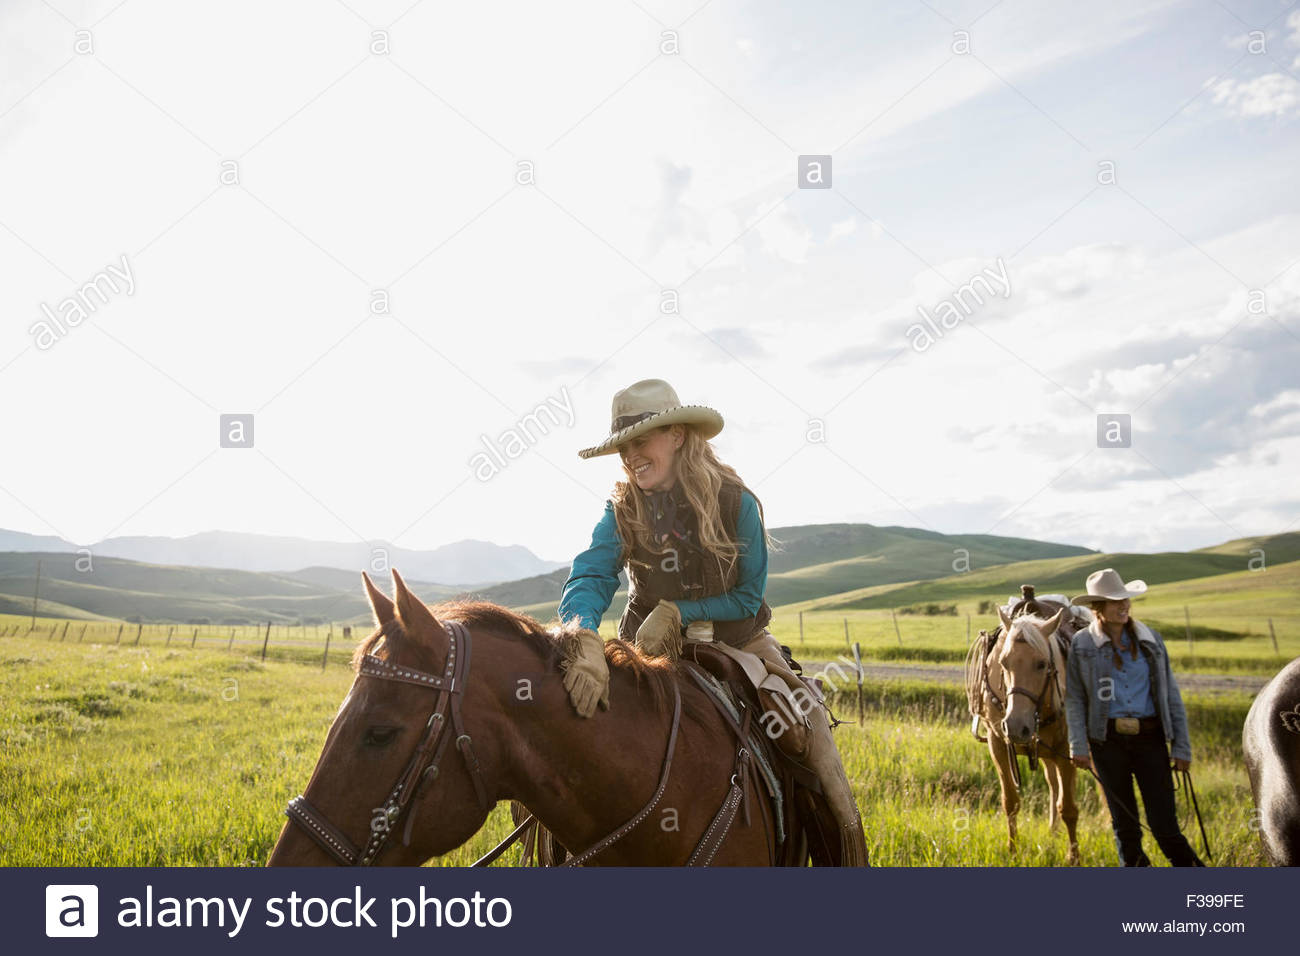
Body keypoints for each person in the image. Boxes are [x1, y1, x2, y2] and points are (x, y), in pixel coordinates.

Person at [556, 378, 868, 865]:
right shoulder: (621, 510)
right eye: (623, 447)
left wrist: (681, 611)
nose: (630, 456)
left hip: (740, 644)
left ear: (677, 435)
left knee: (806, 732)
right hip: (644, 649)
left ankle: (843, 862)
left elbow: (747, 598)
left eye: (641, 441)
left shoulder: (736, 503)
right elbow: (592, 572)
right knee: (567, 732)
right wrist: (582, 634)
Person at [1064, 568, 1205, 866]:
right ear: (1098, 608)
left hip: (1150, 739)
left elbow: (1171, 695)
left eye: (1125, 599)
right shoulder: (1082, 644)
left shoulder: (1150, 640)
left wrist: (1181, 747)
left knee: (1165, 827)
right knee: (1125, 828)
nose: (1124, 605)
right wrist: (1077, 745)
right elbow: (1075, 698)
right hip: (1107, 742)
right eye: (1115, 601)